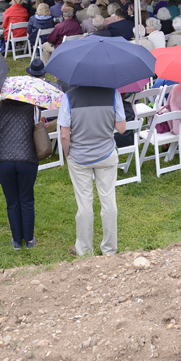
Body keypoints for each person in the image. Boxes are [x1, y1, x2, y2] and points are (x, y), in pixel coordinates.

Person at [58, 82, 126, 257]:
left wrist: (67, 154)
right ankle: (110, 250)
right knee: (109, 201)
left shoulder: (68, 97)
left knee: (84, 204)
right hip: (106, 154)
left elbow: (64, 134)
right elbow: (121, 128)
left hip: (79, 157)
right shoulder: (113, 94)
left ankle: (84, 250)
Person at [0, 97, 40, 249]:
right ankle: (29, 240)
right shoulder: (34, 108)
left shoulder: (0, 108)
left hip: (4, 161)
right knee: (27, 199)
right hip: (27, 160)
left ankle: (17, 241)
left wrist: (5, 148)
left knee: (12, 201)